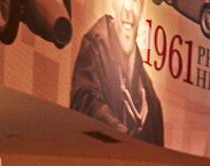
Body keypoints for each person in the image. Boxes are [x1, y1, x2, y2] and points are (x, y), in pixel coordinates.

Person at [70, 0, 164, 146]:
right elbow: (84, 100)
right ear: (113, 4)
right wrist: (117, 131)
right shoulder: (94, 47)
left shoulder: (150, 100)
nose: (128, 10)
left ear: (142, 9)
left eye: (135, 1)